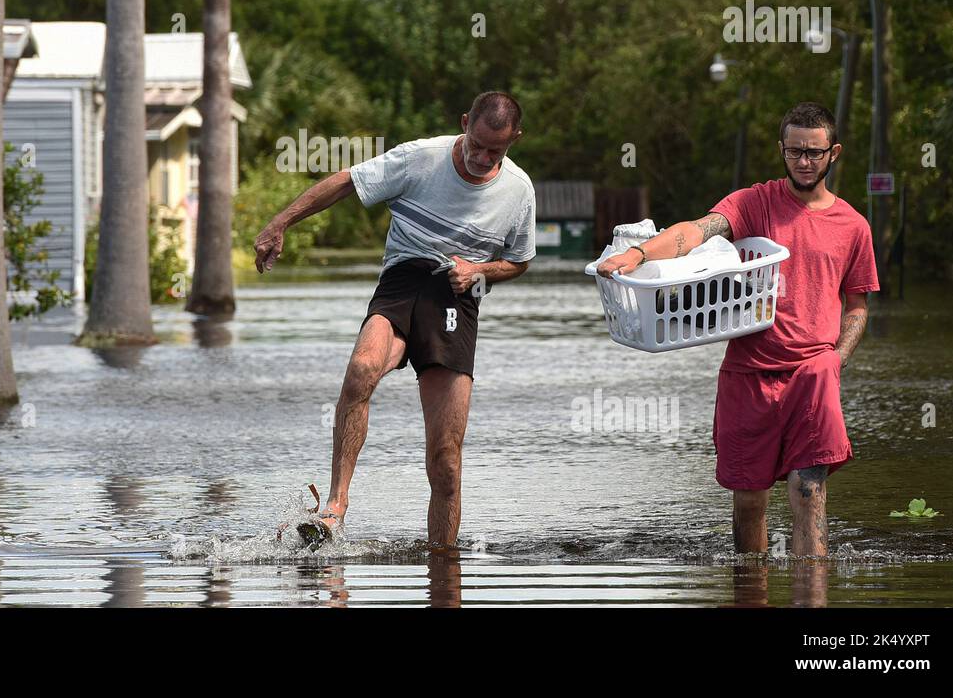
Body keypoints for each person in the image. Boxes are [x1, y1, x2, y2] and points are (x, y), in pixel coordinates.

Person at [254, 91, 537, 549]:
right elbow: (347, 180)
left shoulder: (519, 191)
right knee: (363, 368)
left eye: (495, 150)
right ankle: (335, 509)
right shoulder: (421, 158)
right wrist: (280, 223)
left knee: (446, 461)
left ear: (514, 140)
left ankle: (443, 568)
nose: (483, 157)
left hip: (454, 298)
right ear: (465, 122)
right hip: (404, 280)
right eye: (476, 143)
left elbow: (519, 262)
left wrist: (480, 270)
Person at [597, 102, 879, 556]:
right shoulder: (755, 202)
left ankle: (813, 601)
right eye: (794, 152)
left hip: (814, 372)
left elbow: (858, 306)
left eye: (813, 153)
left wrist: (836, 358)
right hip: (748, 373)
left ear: (834, 153)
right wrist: (640, 255)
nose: (803, 162)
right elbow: (698, 230)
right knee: (749, 502)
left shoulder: (854, 226)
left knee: (810, 493)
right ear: (781, 151)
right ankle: (751, 587)